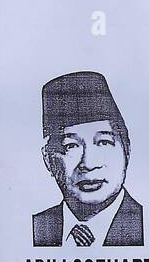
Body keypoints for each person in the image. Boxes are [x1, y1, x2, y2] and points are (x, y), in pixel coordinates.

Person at [32, 70, 143, 248]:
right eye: (71, 146)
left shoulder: (148, 225)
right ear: (48, 160)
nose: (89, 164)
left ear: (126, 149)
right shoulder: (36, 229)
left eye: (104, 142)